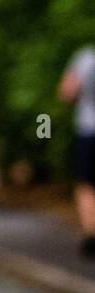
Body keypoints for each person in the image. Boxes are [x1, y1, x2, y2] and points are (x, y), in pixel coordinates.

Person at [60, 43, 95, 258]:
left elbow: (68, 92)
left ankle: (91, 231)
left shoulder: (86, 57)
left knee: (86, 184)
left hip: (89, 130)